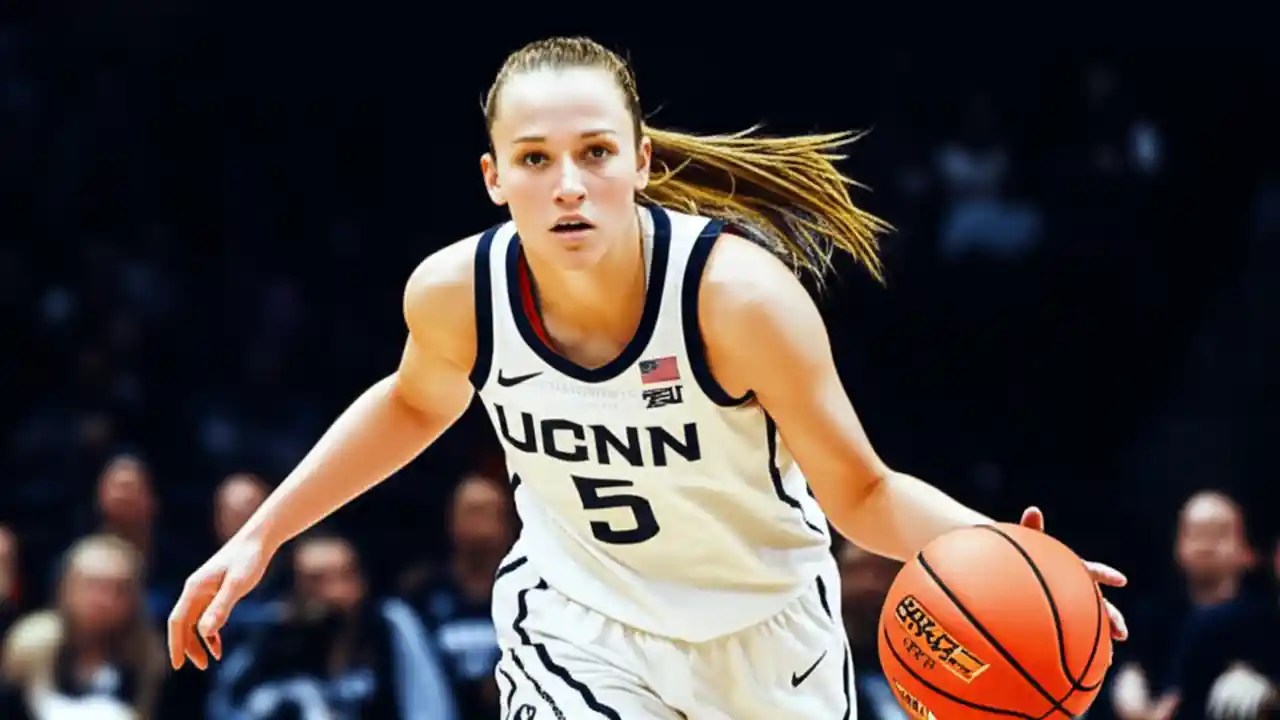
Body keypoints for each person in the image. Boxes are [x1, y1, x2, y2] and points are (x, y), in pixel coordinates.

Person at [168, 35, 1128, 719]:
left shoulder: (738, 300)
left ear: (642, 159)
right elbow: (415, 401)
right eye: (535, 160)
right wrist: (261, 535)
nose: (569, 184)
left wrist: (1002, 550)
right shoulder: (459, 292)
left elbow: (863, 490)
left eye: (593, 153)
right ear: (494, 176)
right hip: (579, 626)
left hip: (767, 638)